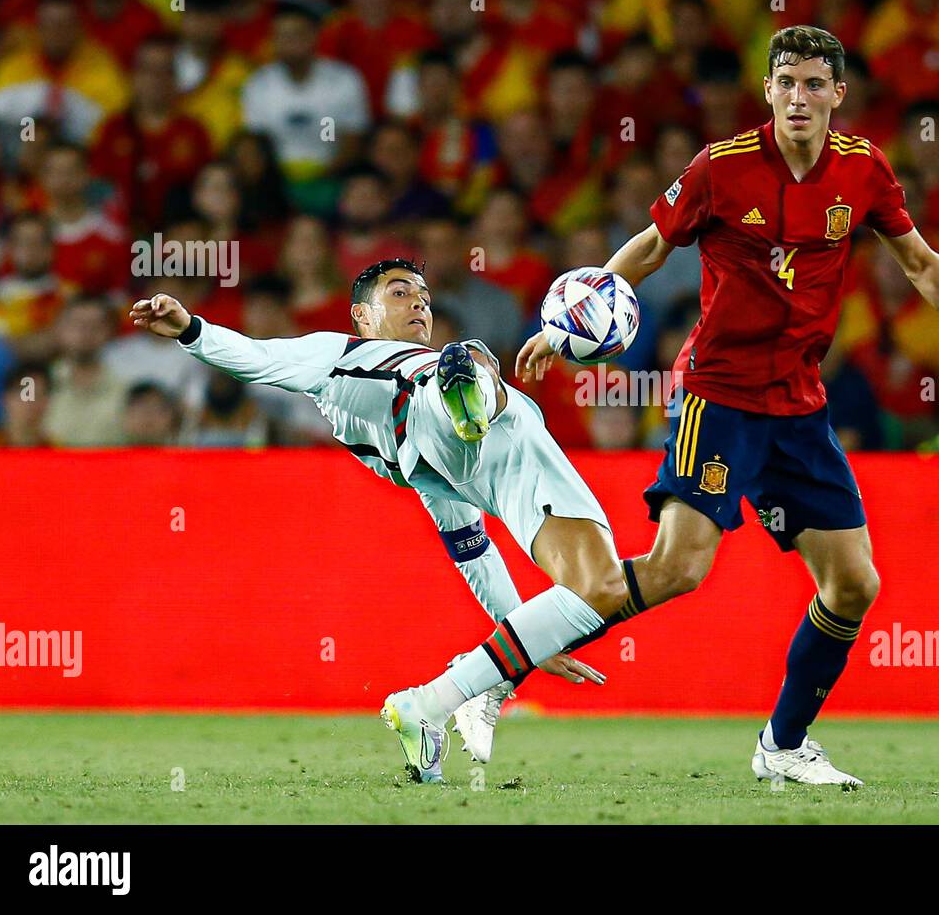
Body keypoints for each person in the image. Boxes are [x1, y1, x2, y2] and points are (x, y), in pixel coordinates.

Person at [517, 25, 939, 786]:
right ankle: (506, 663)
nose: (798, 97)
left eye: (815, 84)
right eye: (786, 82)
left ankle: (782, 746)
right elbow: (653, 246)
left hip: (800, 404)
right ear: (767, 92)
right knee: (680, 568)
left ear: (837, 97)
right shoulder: (720, 169)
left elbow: (918, 260)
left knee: (854, 584)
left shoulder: (864, 171)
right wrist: (568, 321)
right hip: (718, 395)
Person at [128, 259, 618, 782]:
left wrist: (522, 642)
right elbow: (257, 357)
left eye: (425, 298)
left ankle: (482, 683)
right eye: (402, 293)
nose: (420, 304)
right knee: (461, 358)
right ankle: (468, 386)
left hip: (505, 455)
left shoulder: (388, 442)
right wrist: (189, 330)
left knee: (595, 592)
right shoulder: (337, 355)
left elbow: (470, 545)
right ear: (362, 316)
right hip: (458, 423)